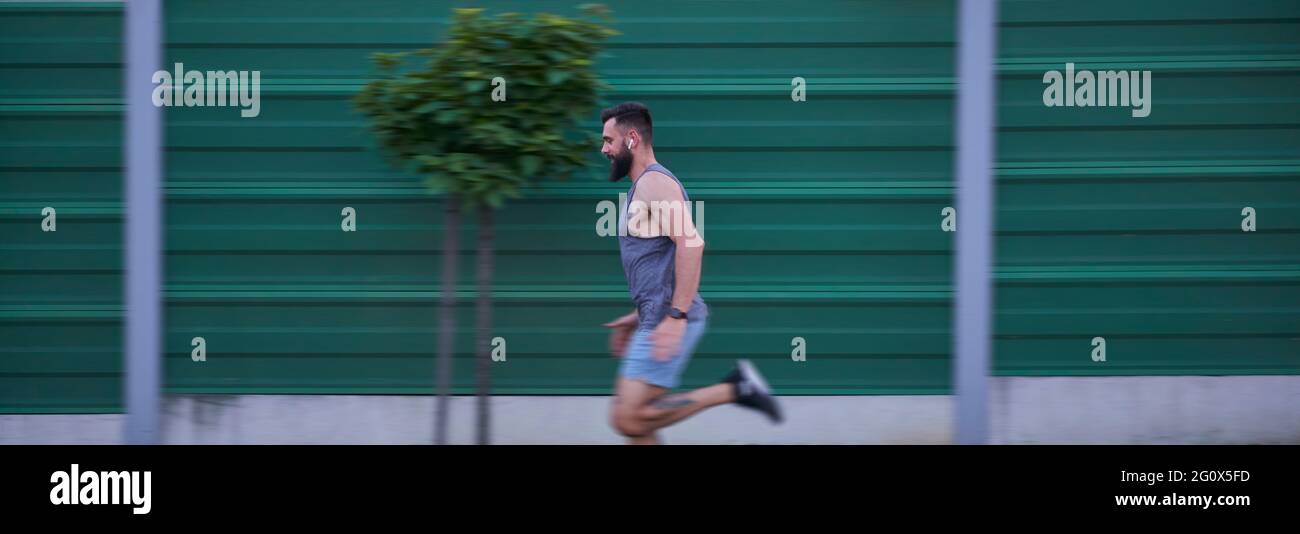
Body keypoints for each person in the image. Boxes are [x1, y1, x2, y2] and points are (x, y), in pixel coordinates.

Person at [599, 102, 782, 445]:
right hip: (655, 317)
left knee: (627, 417)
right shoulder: (643, 186)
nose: (604, 149)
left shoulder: (654, 183)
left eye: (609, 140)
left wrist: (676, 316)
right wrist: (637, 315)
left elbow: (691, 244)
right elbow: (657, 264)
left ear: (632, 138)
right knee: (637, 425)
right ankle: (736, 387)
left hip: (669, 321)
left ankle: (734, 388)